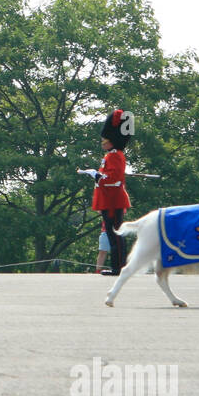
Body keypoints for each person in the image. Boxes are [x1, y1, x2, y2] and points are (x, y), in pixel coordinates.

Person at [83, 109, 132, 276]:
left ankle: (119, 267)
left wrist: (97, 176)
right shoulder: (111, 155)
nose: (103, 142)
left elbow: (113, 179)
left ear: (112, 140)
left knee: (115, 234)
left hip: (112, 200)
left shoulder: (115, 155)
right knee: (113, 234)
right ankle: (119, 266)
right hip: (109, 199)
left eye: (105, 139)